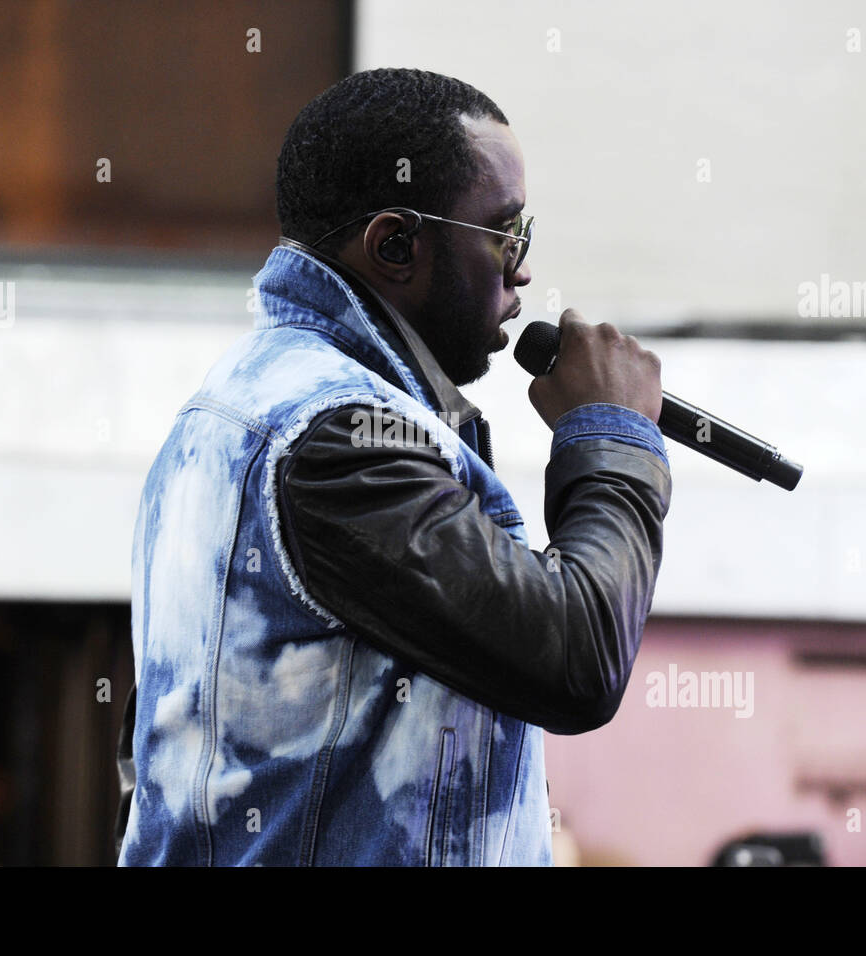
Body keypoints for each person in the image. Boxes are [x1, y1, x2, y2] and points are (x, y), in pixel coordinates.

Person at [115, 67, 671, 866]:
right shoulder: (343, 438)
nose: (520, 272)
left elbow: (155, 753)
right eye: (504, 233)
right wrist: (613, 436)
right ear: (397, 245)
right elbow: (576, 659)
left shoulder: (235, 406)